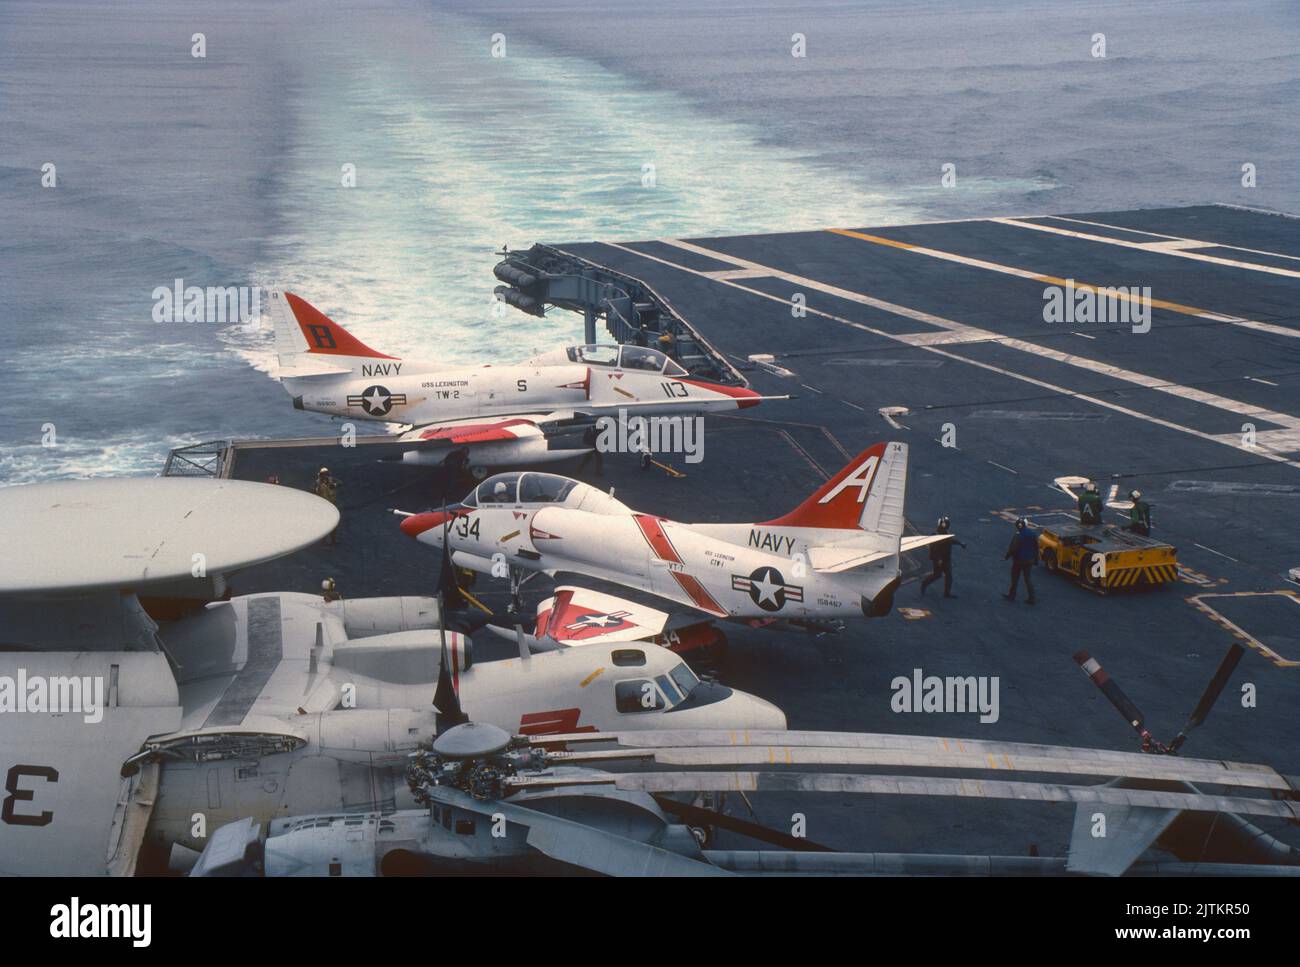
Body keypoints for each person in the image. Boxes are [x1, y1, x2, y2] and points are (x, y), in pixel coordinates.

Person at [920, 516, 965, 598]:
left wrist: (960, 543)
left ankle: (947, 593)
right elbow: (935, 550)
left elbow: (950, 541)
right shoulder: (936, 535)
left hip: (946, 558)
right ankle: (924, 583)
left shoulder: (944, 533)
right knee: (937, 575)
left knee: (948, 576)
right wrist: (938, 560)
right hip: (939, 559)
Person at [1003, 517, 1038, 605]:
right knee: (1028, 578)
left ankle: (1012, 595)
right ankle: (1032, 598)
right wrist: (1036, 559)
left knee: (1015, 578)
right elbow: (1036, 547)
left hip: (1019, 560)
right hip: (1029, 560)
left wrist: (1007, 557)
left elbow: (1013, 548)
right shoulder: (1032, 533)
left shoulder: (1018, 535)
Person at [313, 467, 340, 545]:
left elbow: (340, 482)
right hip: (323, 506)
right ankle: (323, 540)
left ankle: (333, 540)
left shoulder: (331, 480)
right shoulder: (317, 482)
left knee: (334, 522)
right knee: (324, 523)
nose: (325, 476)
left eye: (326, 474)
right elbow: (312, 490)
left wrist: (334, 485)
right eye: (323, 474)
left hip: (332, 504)